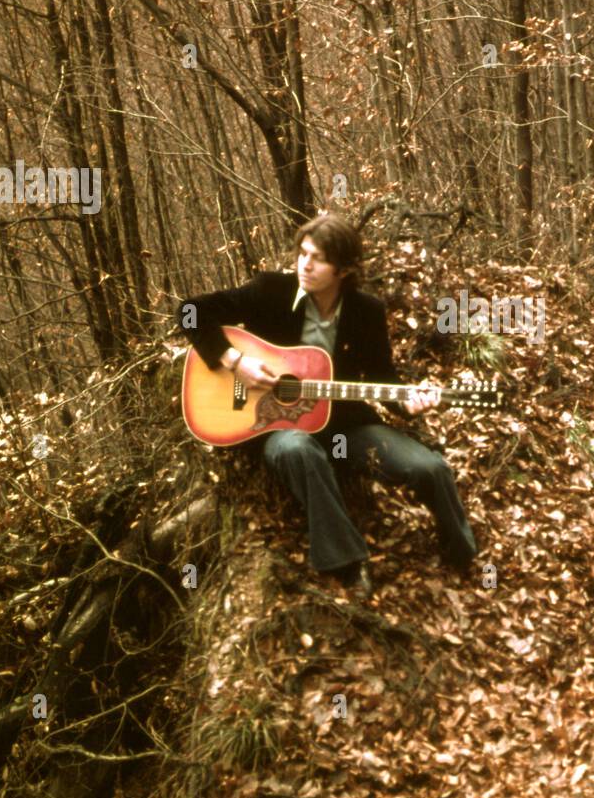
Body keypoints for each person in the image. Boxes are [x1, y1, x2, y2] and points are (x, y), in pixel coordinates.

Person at [177, 213, 479, 597]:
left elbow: (382, 377)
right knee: (298, 450)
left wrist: (411, 403)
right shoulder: (271, 290)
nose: (305, 264)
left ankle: (463, 555)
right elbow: (190, 311)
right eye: (302, 253)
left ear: (344, 268)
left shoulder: (366, 311)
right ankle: (348, 562)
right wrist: (237, 363)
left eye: (317, 258)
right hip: (275, 423)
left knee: (430, 466)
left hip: (345, 427)